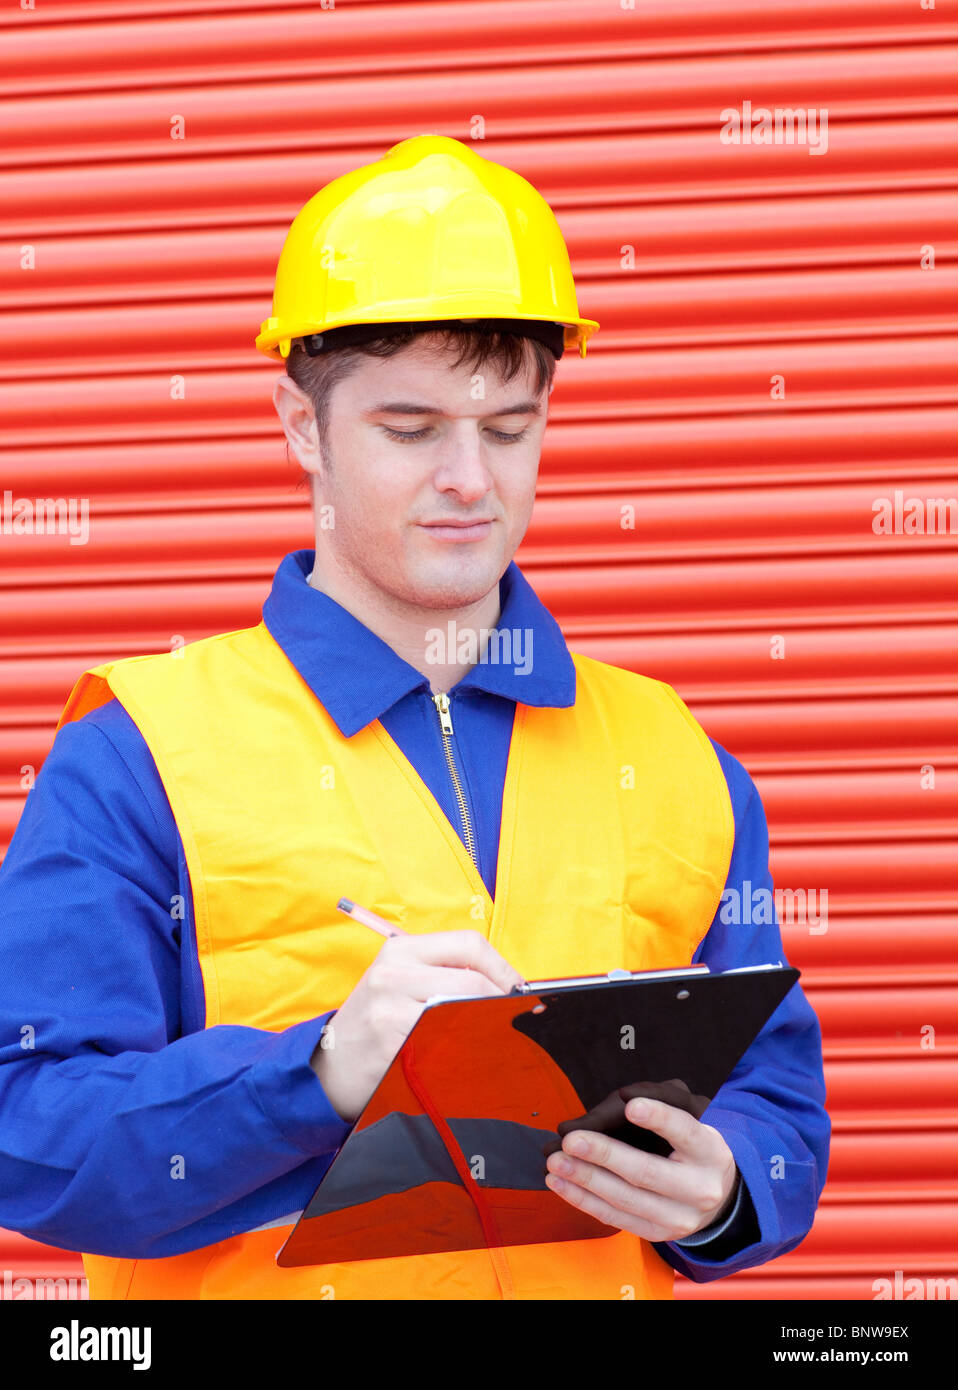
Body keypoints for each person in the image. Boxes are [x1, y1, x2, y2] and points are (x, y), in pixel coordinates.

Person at [0, 135, 829, 1300]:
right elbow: (24, 1130)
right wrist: (323, 1073)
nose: (471, 481)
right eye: (410, 428)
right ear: (301, 427)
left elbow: (776, 1092)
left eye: (508, 428)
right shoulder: (140, 751)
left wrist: (727, 1184)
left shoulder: (669, 753)